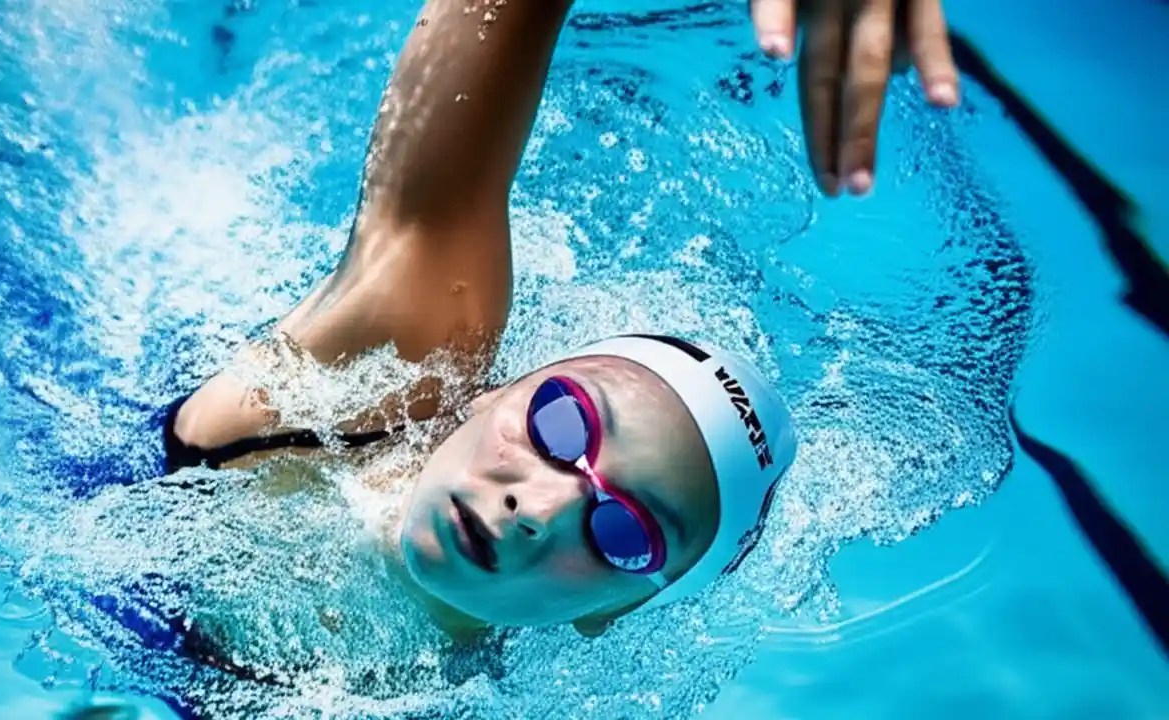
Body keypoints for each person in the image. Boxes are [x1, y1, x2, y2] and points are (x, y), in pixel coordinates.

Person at [160, 0, 961, 640]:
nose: (538, 510)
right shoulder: (372, 378)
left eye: (624, 535)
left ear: (611, 615)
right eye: (563, 426)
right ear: (495, 390)